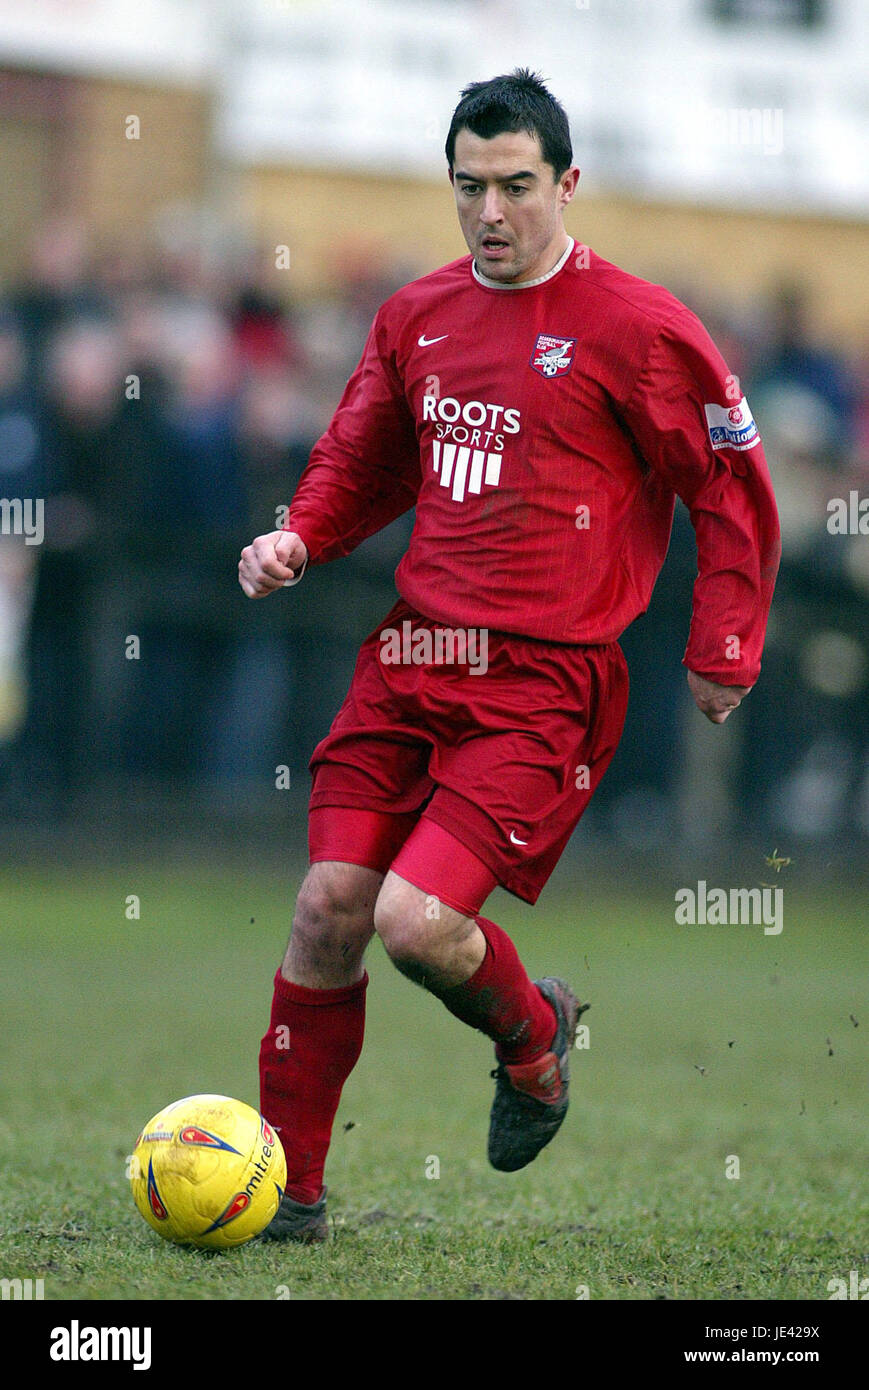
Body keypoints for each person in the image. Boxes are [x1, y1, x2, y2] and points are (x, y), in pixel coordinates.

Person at [238, 70, 781, 1243]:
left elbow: (726, 483)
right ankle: (286, 1193)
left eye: (515, 187)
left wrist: (723, 640)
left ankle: (533, 1037)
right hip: (411, 656)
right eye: (468, 186)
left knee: (415, 923)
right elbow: (364, 455)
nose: (490, 212)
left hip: (543, 682)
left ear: (566, 183)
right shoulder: (415, 314)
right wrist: (301, 532)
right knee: (329, 905)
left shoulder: (637, 327)